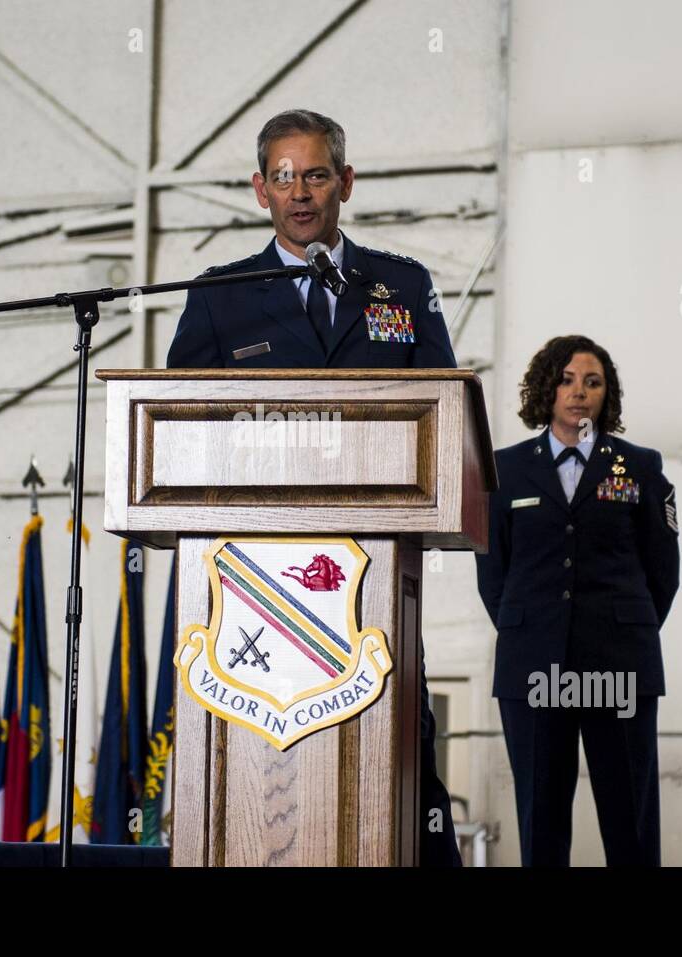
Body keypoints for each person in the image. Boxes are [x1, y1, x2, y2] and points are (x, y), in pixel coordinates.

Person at [166, 108, 461, 865]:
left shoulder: (402, 283)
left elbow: (445, 414)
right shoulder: (220, 293)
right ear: (259, 189)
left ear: (347, 183)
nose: (302, 193)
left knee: (401, 756)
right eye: (285, 177)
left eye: (318, 174)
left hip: (371, 581)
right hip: (252, 588)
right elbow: (176, 427)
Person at [475, 335, 680, 866]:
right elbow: (493, 575)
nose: (578, 393)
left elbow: (663, 573)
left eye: (592, 382)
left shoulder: (640, 467)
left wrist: (623, 631)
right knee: (541, 824)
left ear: (606, 394)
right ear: (546, 388)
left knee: (629, 822)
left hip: (620, 667)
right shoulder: (504, 470)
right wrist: (533, 630)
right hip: (533, 670)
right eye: (566, 380)